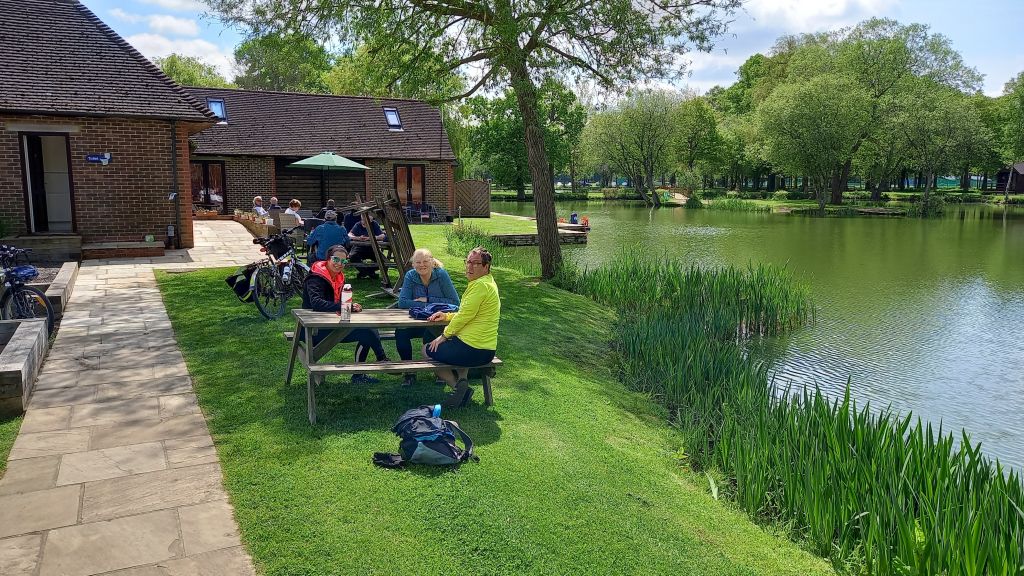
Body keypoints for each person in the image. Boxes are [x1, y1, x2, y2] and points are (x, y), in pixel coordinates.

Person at [302, 244, 389, 384]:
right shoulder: (316, 278)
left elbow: (341, 300)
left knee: (368, 329)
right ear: (328, 259)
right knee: (367, 331)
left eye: (343, 261)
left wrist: (351, 306)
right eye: (336, 260)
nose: (339, 264)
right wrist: (344, 306)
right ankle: (381, 360)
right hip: (312, 329)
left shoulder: (339, 277)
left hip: (332, 324)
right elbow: (316, 304)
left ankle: (362, 373)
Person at [424, 247, 499, 407]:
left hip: (474, 350)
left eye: (476, 263)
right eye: (468, 262)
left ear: (486, 267)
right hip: (486, 349)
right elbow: (466, 312)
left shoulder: (480, 286)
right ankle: (463, 380)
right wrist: (446, 316)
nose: (470, 267)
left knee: (427, 350)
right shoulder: (488, 282)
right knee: (456, 342)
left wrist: (443, 336)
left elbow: (464, 316)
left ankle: (458, 388)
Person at [395, 249, 460, 386]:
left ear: (432, 262)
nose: (422, 265)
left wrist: (427, 299)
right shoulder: (410, 276)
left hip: (437, 322)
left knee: (430, 333)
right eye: (418, 262)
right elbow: (402, 302)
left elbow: (455, 303)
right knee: (401, 332)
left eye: (425, 261)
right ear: (413, 264)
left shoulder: (441, 275)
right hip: (417, 320)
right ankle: (409, 372)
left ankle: (441, 371)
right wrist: (432, 305)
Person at [348, 213, 387, 279]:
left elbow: (382, 236)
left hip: (372, 248)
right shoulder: (358, 224)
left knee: (384, 261)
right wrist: (358, 238)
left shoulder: (374, 224)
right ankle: (370, 273)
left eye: (367, 221)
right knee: (352, 257)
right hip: (359, 247)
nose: (364, 222)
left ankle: (365, 272)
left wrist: (370, 238)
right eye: (363, 220)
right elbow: (350, 234)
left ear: (371, 220)